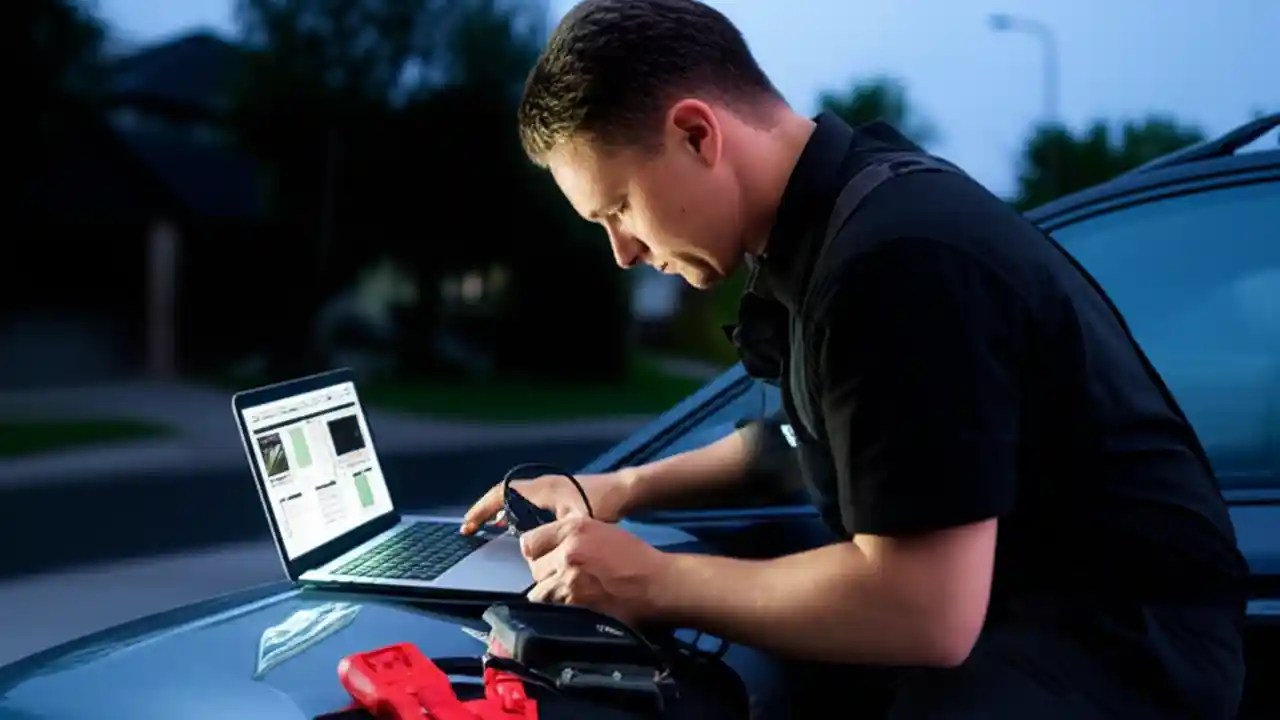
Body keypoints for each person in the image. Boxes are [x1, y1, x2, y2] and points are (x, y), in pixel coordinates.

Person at [461, 1, 1249, 716]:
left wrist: (651, 580)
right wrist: (618, 487)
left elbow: (924, 612)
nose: (623, 252)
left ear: (698, 134)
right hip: (1036, 632)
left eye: (620, 207)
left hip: (1110, 665)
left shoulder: (895, 260)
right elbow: (826, 439)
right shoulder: (847, 210)